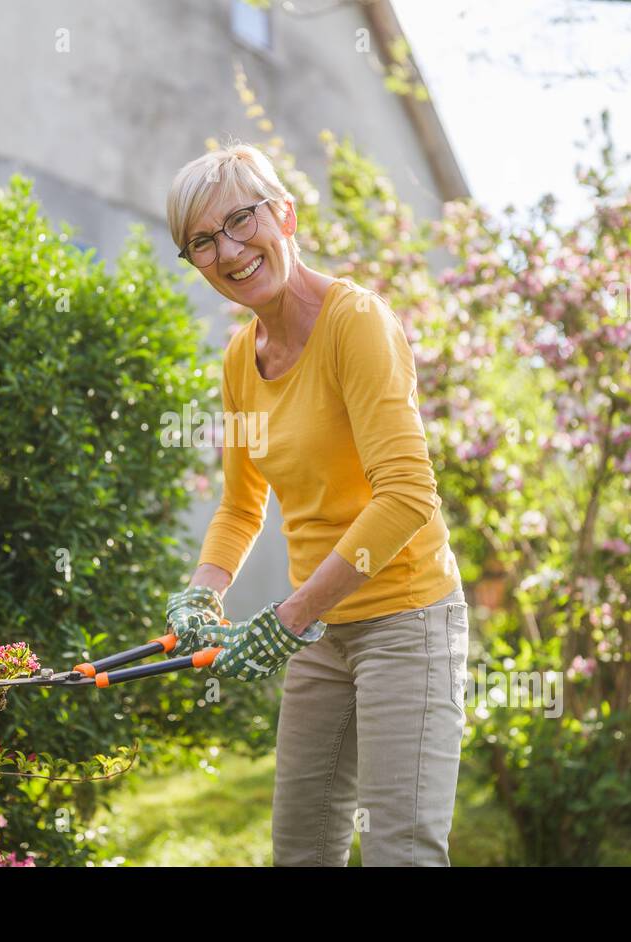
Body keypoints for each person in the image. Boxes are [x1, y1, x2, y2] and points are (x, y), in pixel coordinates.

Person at [162, 141, 471, 866]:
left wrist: (291, 615)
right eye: (202, 241)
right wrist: (202, 593)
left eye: (241, 220)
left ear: (286, 215)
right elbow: (242, 505)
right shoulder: (241, 358)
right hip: (318, 633)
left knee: (401, 851)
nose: (229, 250)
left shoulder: (354, 323)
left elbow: (408, 496)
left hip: (407, 620)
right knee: (301, 850)